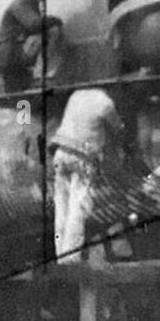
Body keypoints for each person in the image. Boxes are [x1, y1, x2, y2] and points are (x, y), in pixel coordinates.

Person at [49, 88, 125, 264]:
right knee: (78, 207)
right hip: (82, 157)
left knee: (62, 207)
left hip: (61, 153)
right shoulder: (106, 103)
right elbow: (119, 128)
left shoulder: (76, 96)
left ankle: (60, 254)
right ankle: (70, 257)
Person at [0, 0, 64, 93]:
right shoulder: (22, 2)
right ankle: (44, 72)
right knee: (50, 31)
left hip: (16, 58)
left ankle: (41, 73)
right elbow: (34, 24)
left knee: (21, 98)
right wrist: (55, 20)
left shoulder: (32, 4)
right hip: (11, 56)